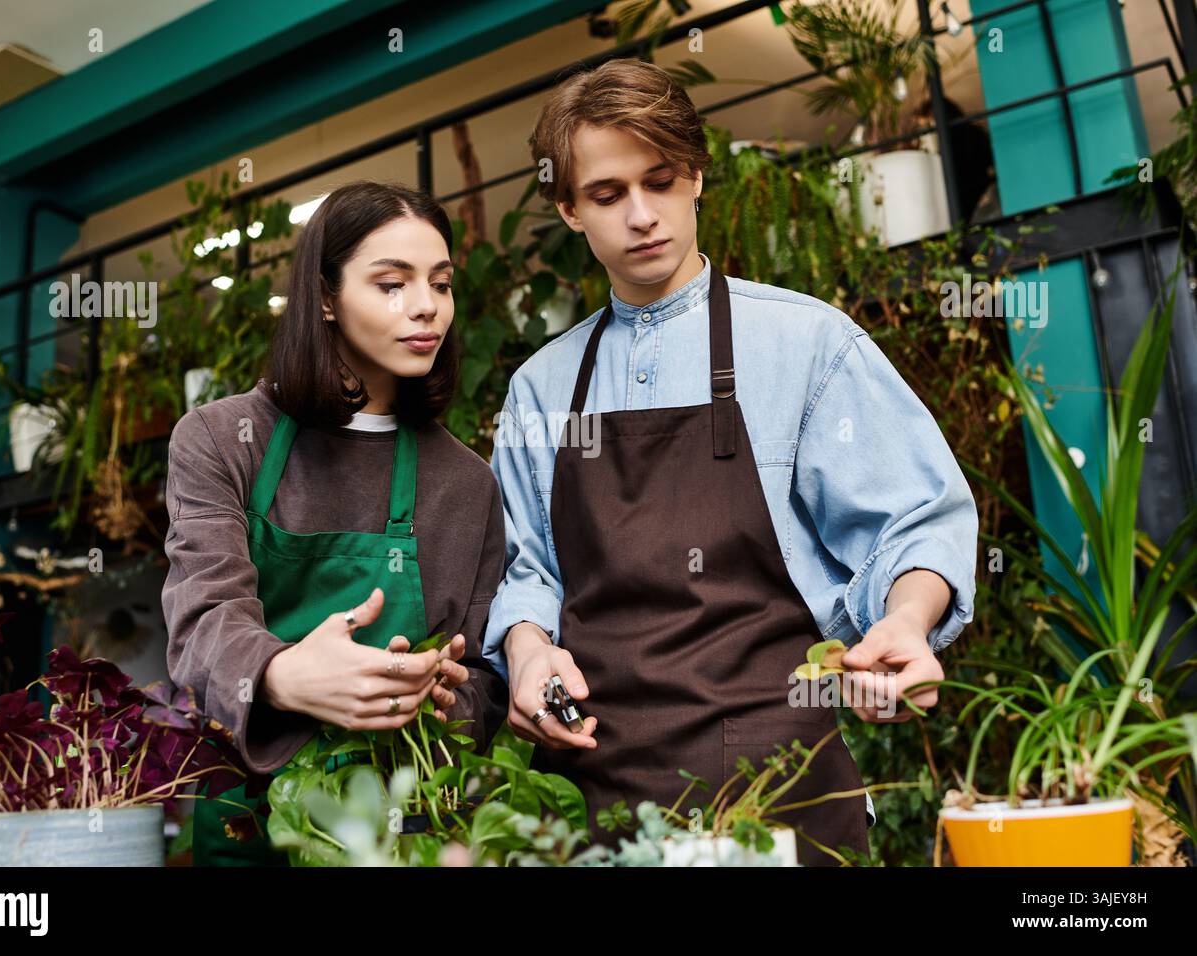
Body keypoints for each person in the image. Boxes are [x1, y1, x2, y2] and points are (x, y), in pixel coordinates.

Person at [484, 59, 979, 865]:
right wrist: (528, 649)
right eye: (609, 195)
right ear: (568, 208)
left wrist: (906, 619)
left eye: (662, 179)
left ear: (698, 177)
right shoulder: (541, 388)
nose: (643, 215)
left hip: (779, 782)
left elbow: (915, 522)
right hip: (593, 783)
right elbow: (527, 569)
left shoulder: (806, 343)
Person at [162, 180, 509, 866]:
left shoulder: (465, 481)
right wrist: (283, 674)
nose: (425, 307)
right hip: (249, 813)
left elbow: (489, 674)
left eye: (439, 283)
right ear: (324, 298)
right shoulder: (219, 439)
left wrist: (441, 694)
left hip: (406, 821)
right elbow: (204, 622)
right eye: (391, 283)